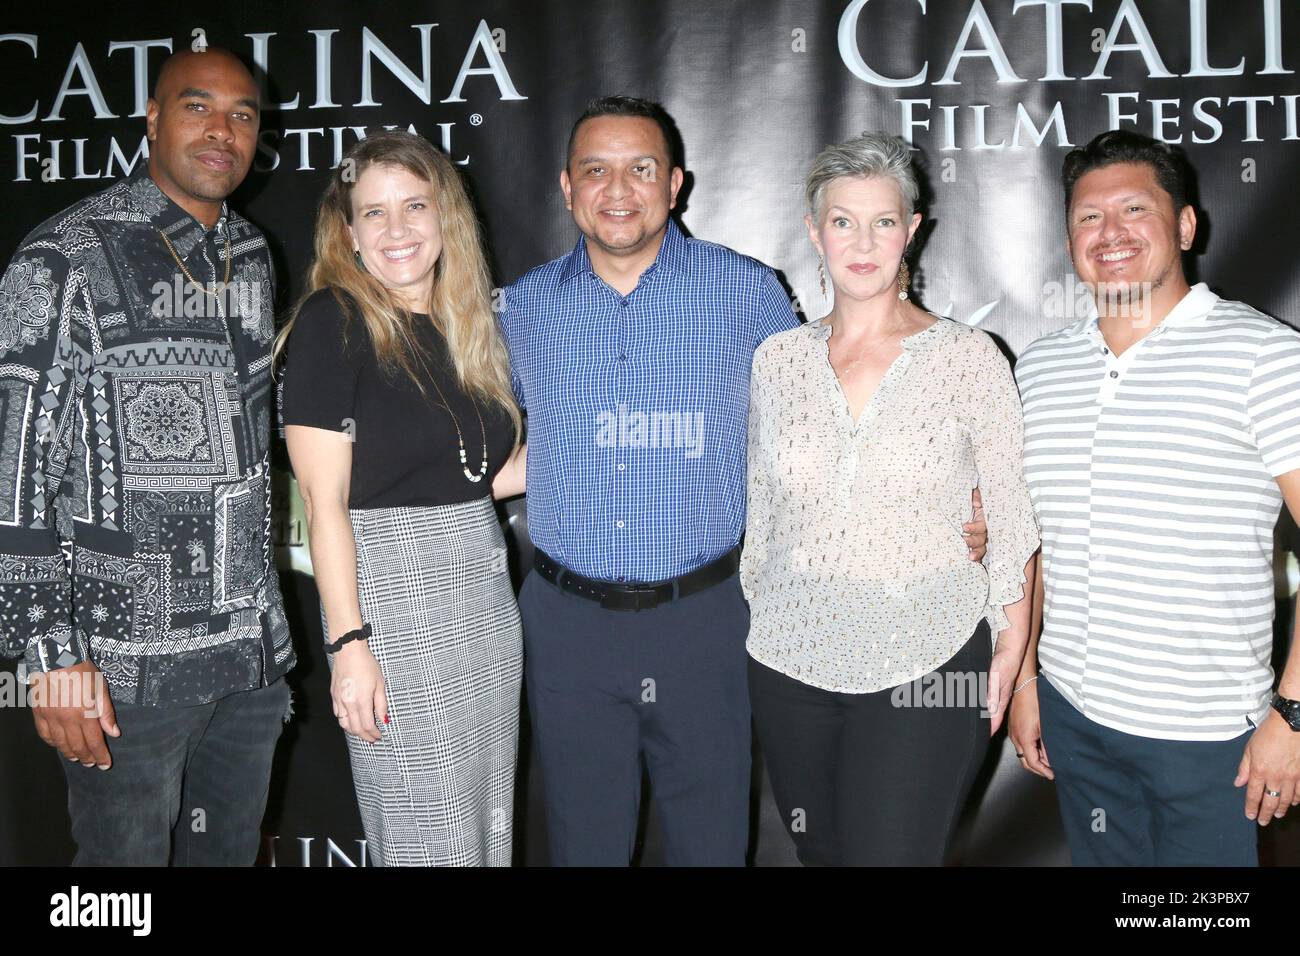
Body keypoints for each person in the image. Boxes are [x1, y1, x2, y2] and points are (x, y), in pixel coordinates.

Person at [501, 96, 990, 866]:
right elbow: (493, 443)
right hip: (566, 625)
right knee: (581, 842)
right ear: (566, 187)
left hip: (707, 619)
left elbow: (822, 428)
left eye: (641, 169)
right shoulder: (520, 310)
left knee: (712, 841)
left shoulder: (746, 293)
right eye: (596, 170)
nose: (619, 188)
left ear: (676, 185)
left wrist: (958, 505)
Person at [0, 48, 294, 865]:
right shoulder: (63, 256)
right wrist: (50, 656)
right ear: (153, 119)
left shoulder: (255, 256)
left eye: (242, 114)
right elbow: (13, 471)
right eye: (197, 107)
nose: (222, 130)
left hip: (247, 659)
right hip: (121, 670)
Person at [741, 132, 1039, 866]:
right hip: (789, 660)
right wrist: (767, 606)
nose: (863, 240)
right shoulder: (777, 361)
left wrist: (1014, 646)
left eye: (883, 221)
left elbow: (1009, 513)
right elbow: (763, 514)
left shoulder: (968, 357)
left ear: (912, 229)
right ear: (815, 231)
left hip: (929, 657)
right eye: (843, 221)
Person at [1009, 129, 1300, 866]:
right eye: (1087, 216)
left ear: (1186, 225)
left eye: (1134, 209)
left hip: (1207, 734)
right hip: (1076, 715)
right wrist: (1028, 680)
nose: (1110, 233)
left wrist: (1292, 716)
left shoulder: (1265, 358)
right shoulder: (1040, 370)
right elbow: (1034, 542)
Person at [276, 130, 525, 867]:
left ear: (446, 216)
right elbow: (325, 506)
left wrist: (609, 448)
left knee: (485, 827)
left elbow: (473, 475)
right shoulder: (333, 323)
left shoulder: (462, 329)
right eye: (374, 212)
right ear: (348, 232)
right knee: (426, 834)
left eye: (414, 206)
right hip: (394, 600)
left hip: (482, 601)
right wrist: (350, 647)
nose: (397, 229)